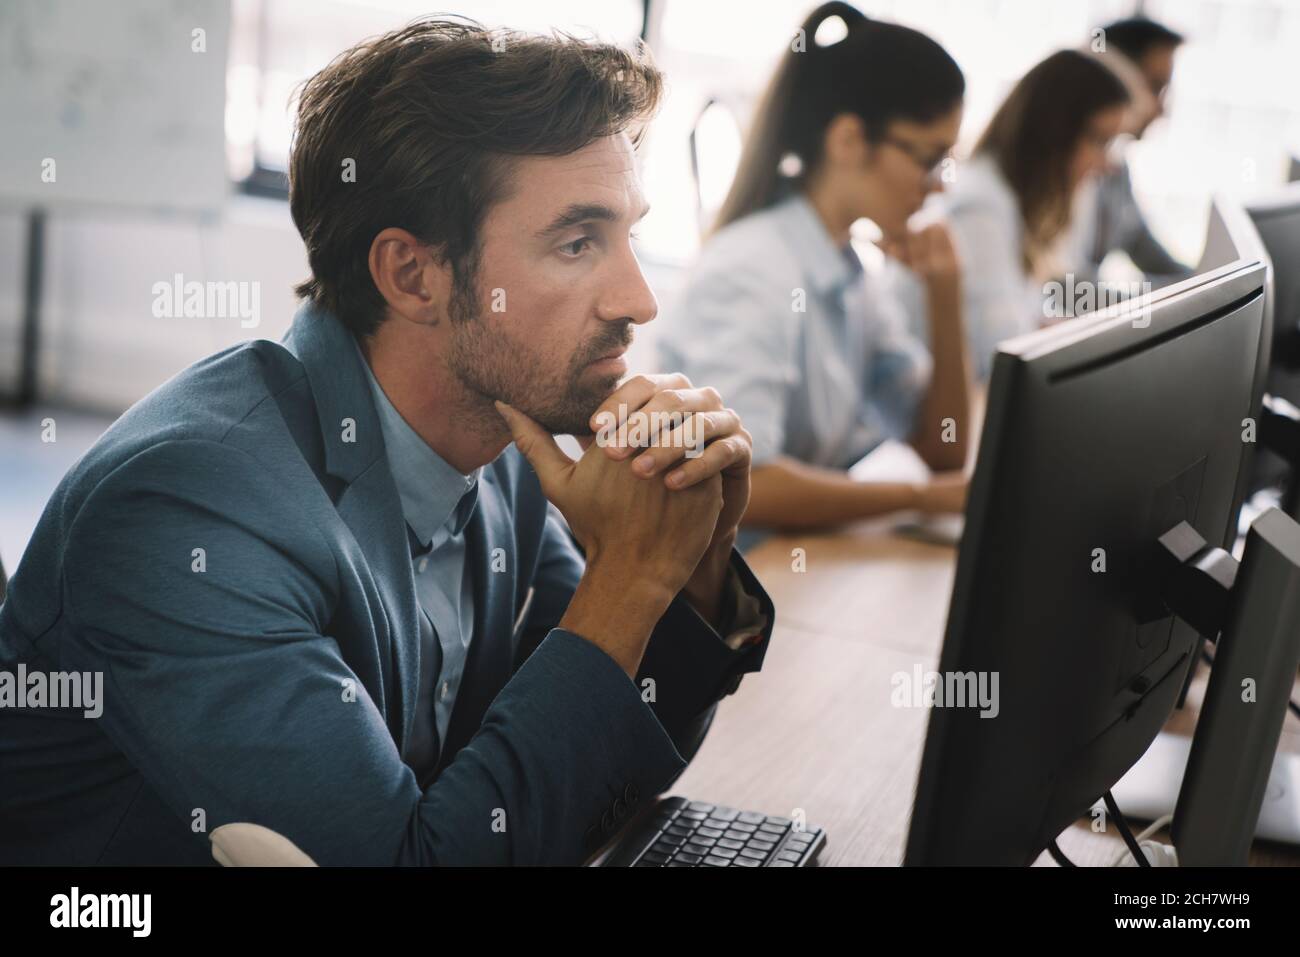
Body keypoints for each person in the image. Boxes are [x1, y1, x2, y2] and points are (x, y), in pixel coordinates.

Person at [0, 18, 773, 866]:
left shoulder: (505, 442)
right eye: (578, 242)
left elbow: (584, 769)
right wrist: (628, 574)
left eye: (628, 235)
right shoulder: (186, 512)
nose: (638, 298)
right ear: (412, 275)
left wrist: (693, 560)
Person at [660, 2, 971, 542]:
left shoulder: (852, 271)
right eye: (929, 158)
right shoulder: (755, 270)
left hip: (788, 565)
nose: (939, 185)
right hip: (728, 585)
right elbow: (743, 480)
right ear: (849, 140)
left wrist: (946, 295)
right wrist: (919, 499)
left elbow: (943, 447)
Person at [943, 49, 1131, 380]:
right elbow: (1000, 354)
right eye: (1099, 140)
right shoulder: (979, 210)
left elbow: (1024, 318)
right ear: (1053, 133)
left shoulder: (1017, 202)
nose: (1106, 164)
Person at [1073, 16, 1191, 285]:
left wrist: (1208, 282)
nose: (1163, 108)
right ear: (1114, 78)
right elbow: (1063, 287)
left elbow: (1140, 243)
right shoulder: (1063, 165)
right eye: (1156, 87)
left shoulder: (1116, 163)